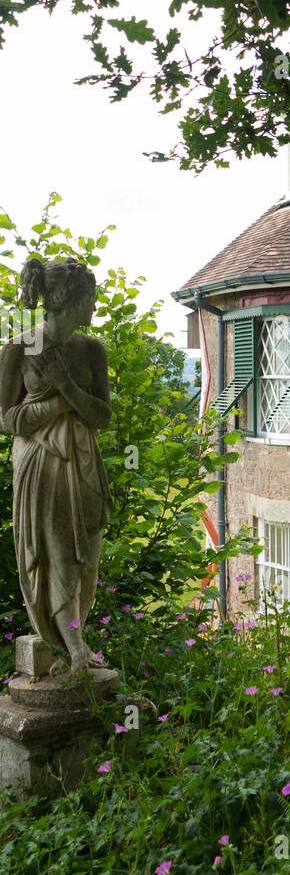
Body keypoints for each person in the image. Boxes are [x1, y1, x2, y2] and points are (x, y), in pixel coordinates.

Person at [0, 256, 112, 673]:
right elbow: (4, 419)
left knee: (88, 554)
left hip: (82, 460)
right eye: (91, 299)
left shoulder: (89, 349)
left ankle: (76, 636)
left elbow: (102, 416)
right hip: (40, 462)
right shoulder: (23, 345)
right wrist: (56, 405)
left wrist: (67, 388)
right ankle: (76, 648)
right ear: (69, 300)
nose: (95, 308)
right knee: (57, 551)